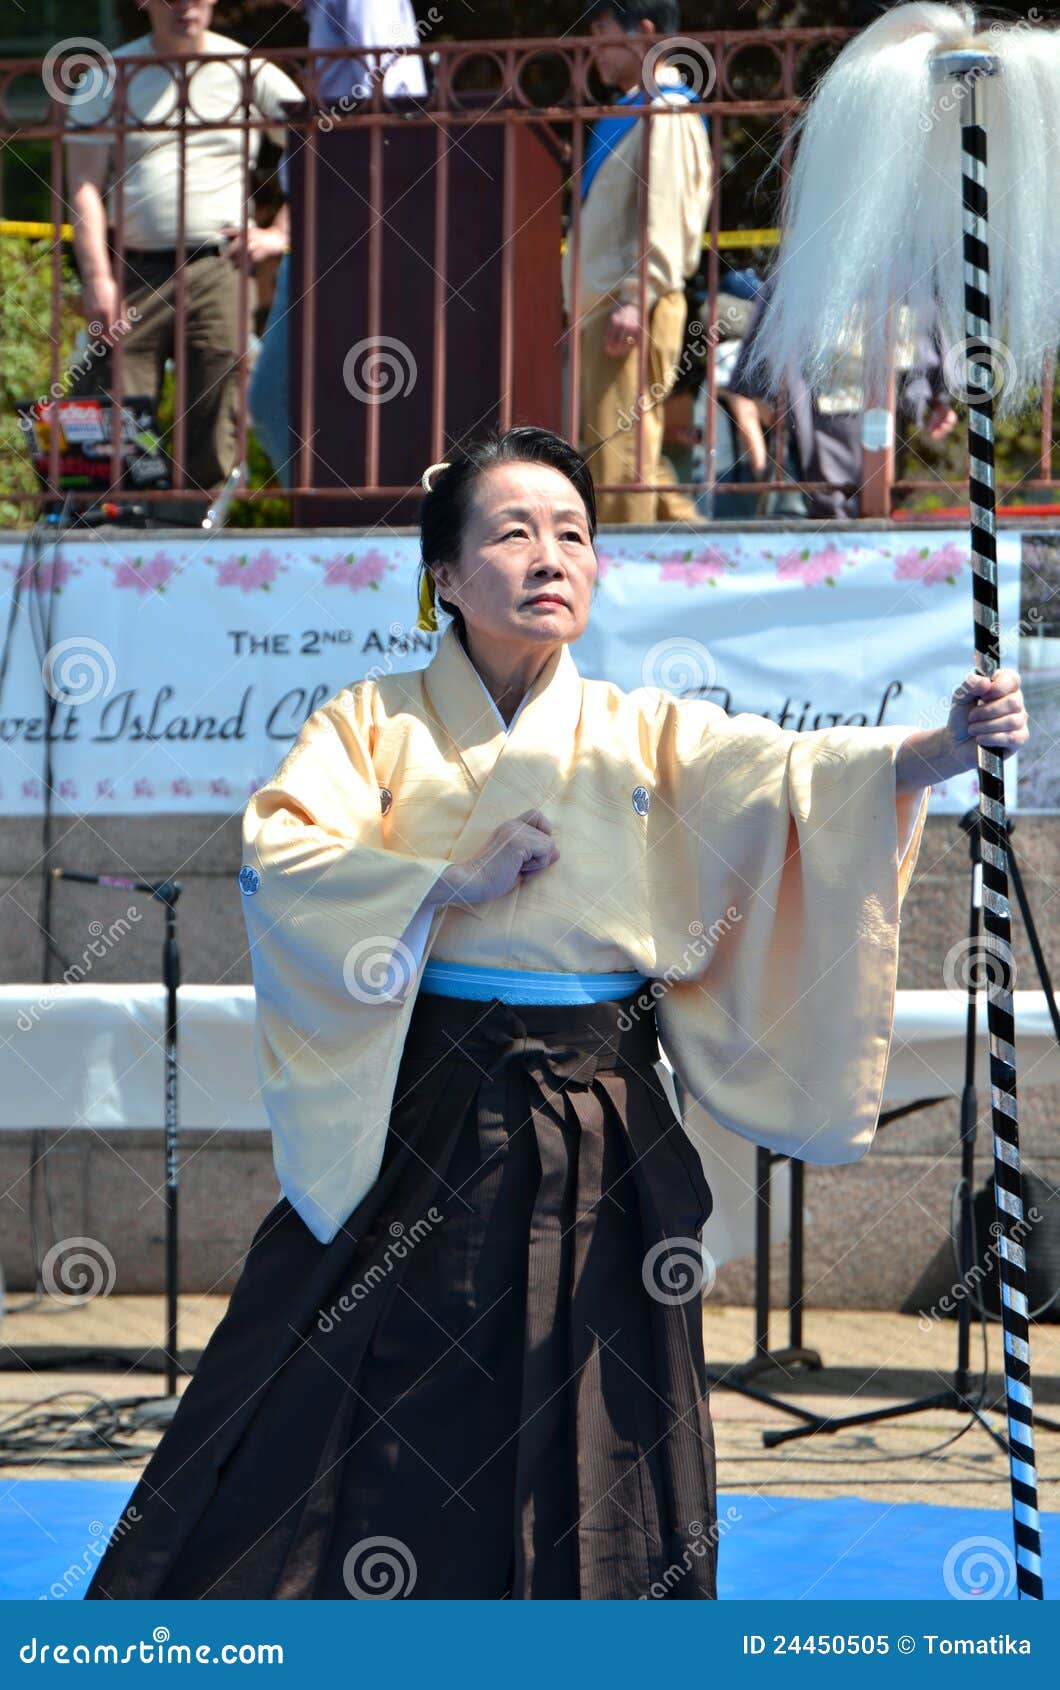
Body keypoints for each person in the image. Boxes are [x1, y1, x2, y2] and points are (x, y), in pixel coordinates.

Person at [82, 425, 1027, 1600]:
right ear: (442, 571)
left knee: (594, 1388)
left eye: (573, 534)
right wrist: (440, 880)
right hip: (422, 1100)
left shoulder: (645, 729)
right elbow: (285, 858)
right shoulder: (371, 721)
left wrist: (939, 747)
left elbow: (791, 781)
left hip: (599, 1107)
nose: (550, 556)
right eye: (513, 531)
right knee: (348, 1366)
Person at [64, 0, 302, 512]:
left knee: (216, 401)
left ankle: (199, 535)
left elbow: (319, 146)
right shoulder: (111, 74)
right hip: (132, 267)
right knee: (116, 407)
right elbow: (81, 183)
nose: (185, 8)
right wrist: (97, 276)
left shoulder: (247, 70)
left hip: (219, 265)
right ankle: (118, 529)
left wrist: (278, 233)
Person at [248, 0, 429, 486]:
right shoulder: (328, 11)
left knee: (277, 399)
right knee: (304, 400)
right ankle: (329, 518)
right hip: (337, 219)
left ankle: (327, 519)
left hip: (349, 224)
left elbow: (387, 105)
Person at [564, 1, 712, 524]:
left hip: (628, 309)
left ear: (643, 33)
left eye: (602, 31)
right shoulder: (636, 109)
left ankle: (626, 581)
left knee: (619, 458)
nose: (593, 48)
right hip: (614, 305)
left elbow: (665, 214)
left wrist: (635, 297)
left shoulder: (665, 110)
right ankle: (708, 562)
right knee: (625, 450)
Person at [721, 278, 959, 518]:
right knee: (831, 503)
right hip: (822, 417)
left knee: (875, 503)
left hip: (881, 416)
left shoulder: (901, 272)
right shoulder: (803, 272)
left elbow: (925, 325)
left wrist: (938, 398)